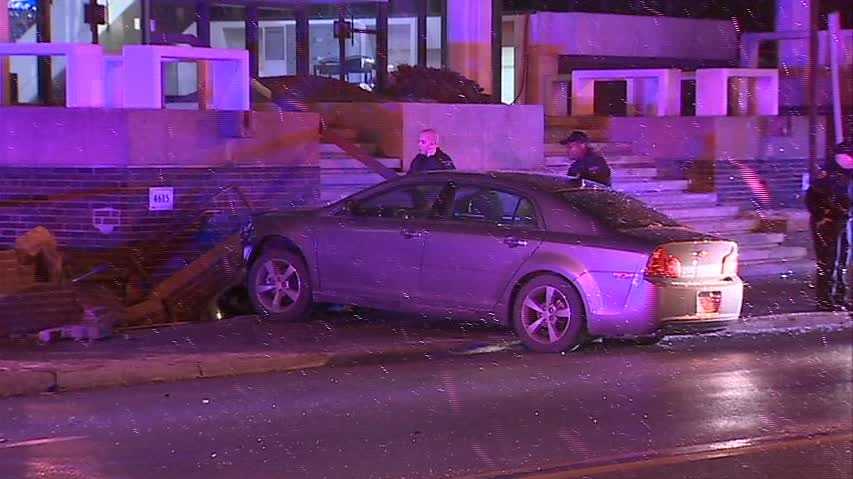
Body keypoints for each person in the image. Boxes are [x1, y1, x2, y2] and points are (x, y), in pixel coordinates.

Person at [805, 161, 850, 311]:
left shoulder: (844, 180)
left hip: (843, 223)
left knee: (841, 261)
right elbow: (813, 202)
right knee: (829, 261)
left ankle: (838, 297)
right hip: (828, 224)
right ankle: (826, 299)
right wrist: (826, 215)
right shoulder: (826, 181)